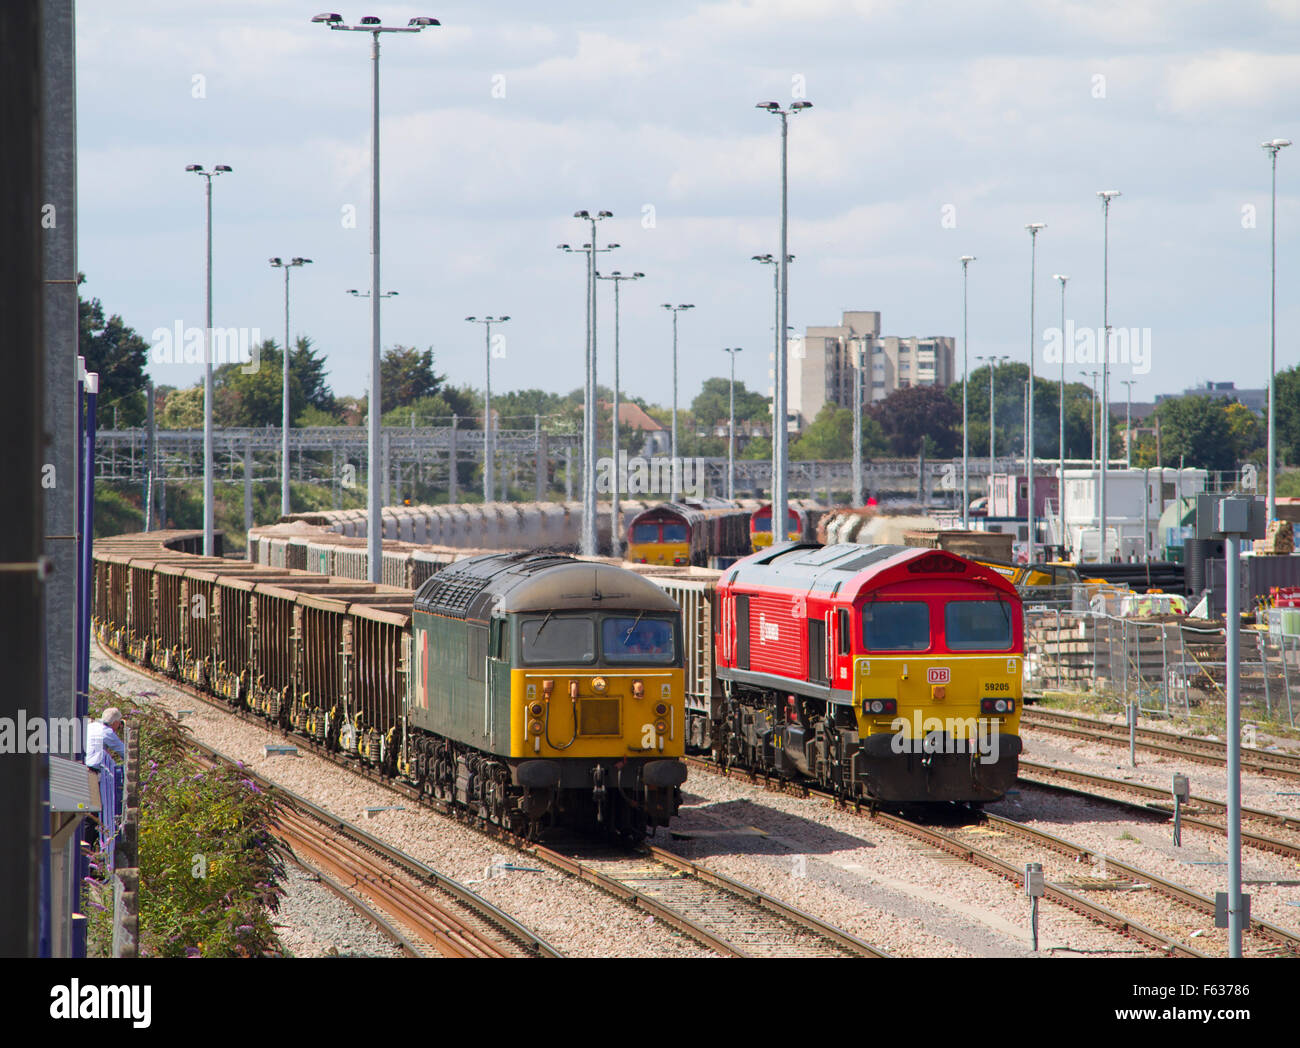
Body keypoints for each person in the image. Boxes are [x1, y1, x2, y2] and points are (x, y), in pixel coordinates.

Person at [85, 708, 126, 867]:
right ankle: (89, 854)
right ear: (115, 723)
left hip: (81, 769)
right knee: (93, 814)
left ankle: (90, 852)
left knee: (87, 813)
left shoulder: (92, 726)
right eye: (119, 724)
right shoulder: (107, 733)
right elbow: (124, 752)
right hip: (93, 774)